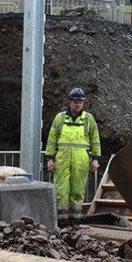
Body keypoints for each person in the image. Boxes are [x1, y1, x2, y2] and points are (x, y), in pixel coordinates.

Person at [45, 87, 101, 223]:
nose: (77, 104)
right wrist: (50, 158)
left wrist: (95, 159)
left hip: (81, 160)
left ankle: (75, 221)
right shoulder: (60, 118)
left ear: (83, 103)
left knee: (78, 190)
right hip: (62, 160)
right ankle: (61, 221)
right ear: (69, 102)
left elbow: (95, 140)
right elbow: (52, 139)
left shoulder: (88, 119)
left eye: (80, 102)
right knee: (61, 190)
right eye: (75, 101)